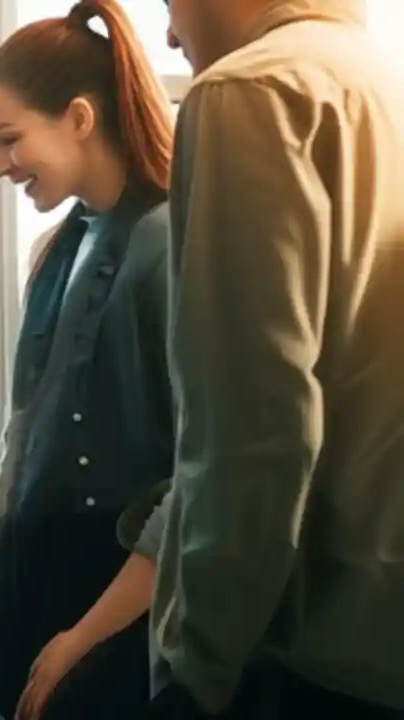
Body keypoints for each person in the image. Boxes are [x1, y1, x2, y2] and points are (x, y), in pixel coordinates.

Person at [143, 0, 404, 717]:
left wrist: (194, 671)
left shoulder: (250, 92)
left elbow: (255, 431)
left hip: (303, 663)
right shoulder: (384, 84)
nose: (169, 33)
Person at [0, 1, 177, 718]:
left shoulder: (174, 244)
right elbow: (22, 440)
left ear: (79, 117)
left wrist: (85, 639)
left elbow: (198, 474)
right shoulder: (57, 251)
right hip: (26, 591)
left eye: (8, 139)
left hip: (113, 605)